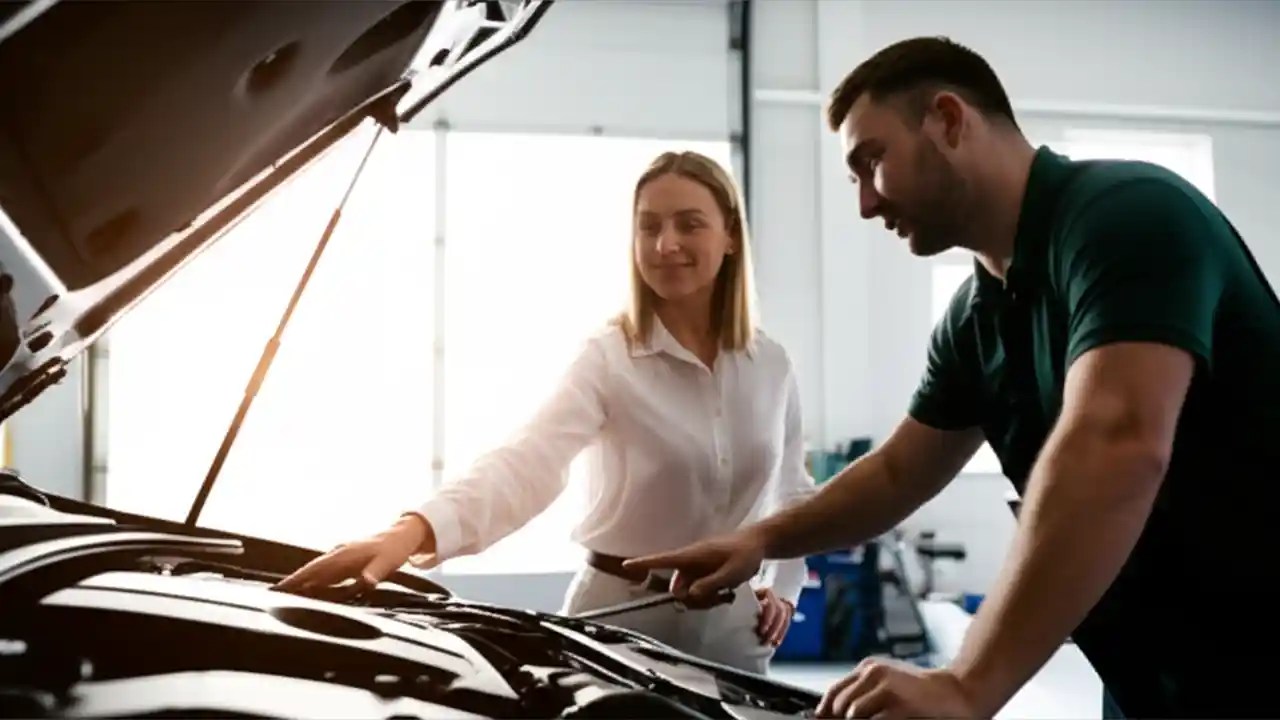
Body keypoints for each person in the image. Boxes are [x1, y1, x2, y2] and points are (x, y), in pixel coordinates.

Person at [625, 36, 1280, 718]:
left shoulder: (1127, 216)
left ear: (948, 119)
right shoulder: (976, 314)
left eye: (872, 163)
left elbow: (1116, 441)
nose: (867, 205)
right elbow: (897, 474)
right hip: (1154, 678)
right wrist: (759, 540)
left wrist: (969, 683)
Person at [274, 150, 816, 675]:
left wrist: (786, 588)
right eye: (648, 226)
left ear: (730, 239)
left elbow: (792, 489)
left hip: (732, 627)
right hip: (618, 620)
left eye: (689, 224)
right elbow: (528, 463)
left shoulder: (770, 364)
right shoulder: (607, 358)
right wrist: (412, 531)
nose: (665, 243)